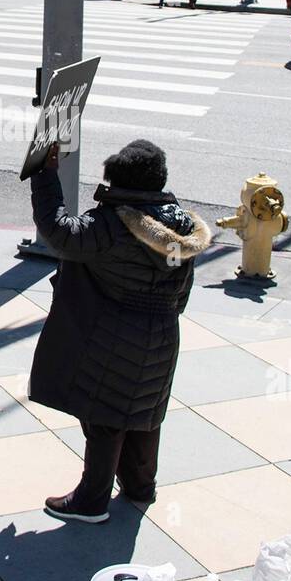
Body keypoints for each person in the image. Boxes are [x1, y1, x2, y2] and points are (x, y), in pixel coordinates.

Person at [28, 139, 210, 523]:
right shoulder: (179, 225)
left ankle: (91, 501)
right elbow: (182, 290)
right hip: (162, 333)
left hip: (112, 333)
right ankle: (140, 486)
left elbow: (58, 230)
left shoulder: (112, 224)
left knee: (105, 416)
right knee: (146, 412)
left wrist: (45, 174)